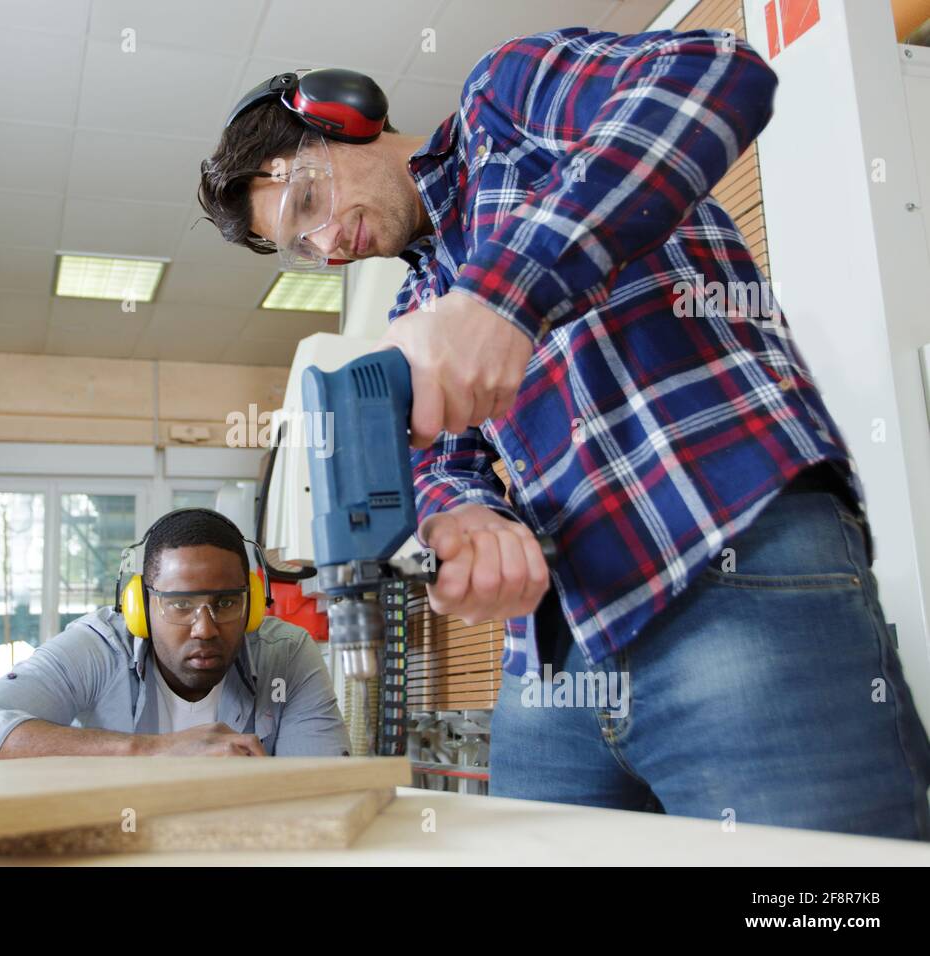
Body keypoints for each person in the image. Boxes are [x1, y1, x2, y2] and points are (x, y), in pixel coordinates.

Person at [197, 28, 930, 838]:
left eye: (310, 204)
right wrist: (467, 520)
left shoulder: (502, 109)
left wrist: (506, 294)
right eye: (302, 247)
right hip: (555, 666)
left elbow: (714, 77)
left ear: (346, 117)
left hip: (729, 576)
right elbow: (447, 467)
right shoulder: (414, 313)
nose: (329, 245)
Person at [0, 508, 349, 761]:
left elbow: (326, 791)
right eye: (179, 604)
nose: (204, 628)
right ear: (140, 608)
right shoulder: (98, 648)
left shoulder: (287, 655)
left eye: (226, 603)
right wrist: (153, 751)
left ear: (254, 604)